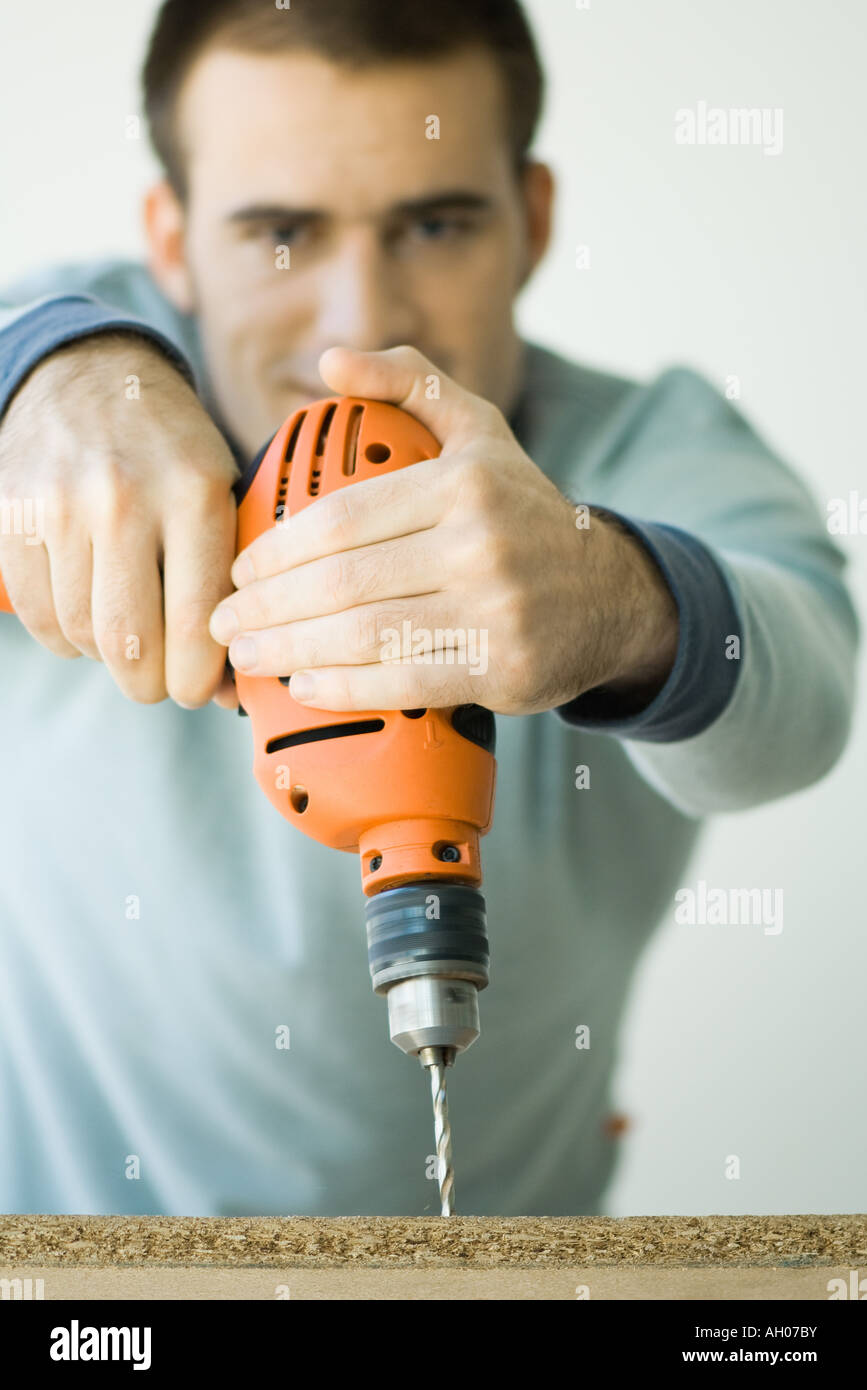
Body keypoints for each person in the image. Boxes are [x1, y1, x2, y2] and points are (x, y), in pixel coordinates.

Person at [0, 0, 857, 1217]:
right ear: (171, 244)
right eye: (282, 232)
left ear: (534, 220)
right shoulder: (78, 410)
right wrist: (46, 370)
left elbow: (807, 693)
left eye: (436, 222)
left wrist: (615, 596)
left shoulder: (648, 445)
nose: (361, 318)